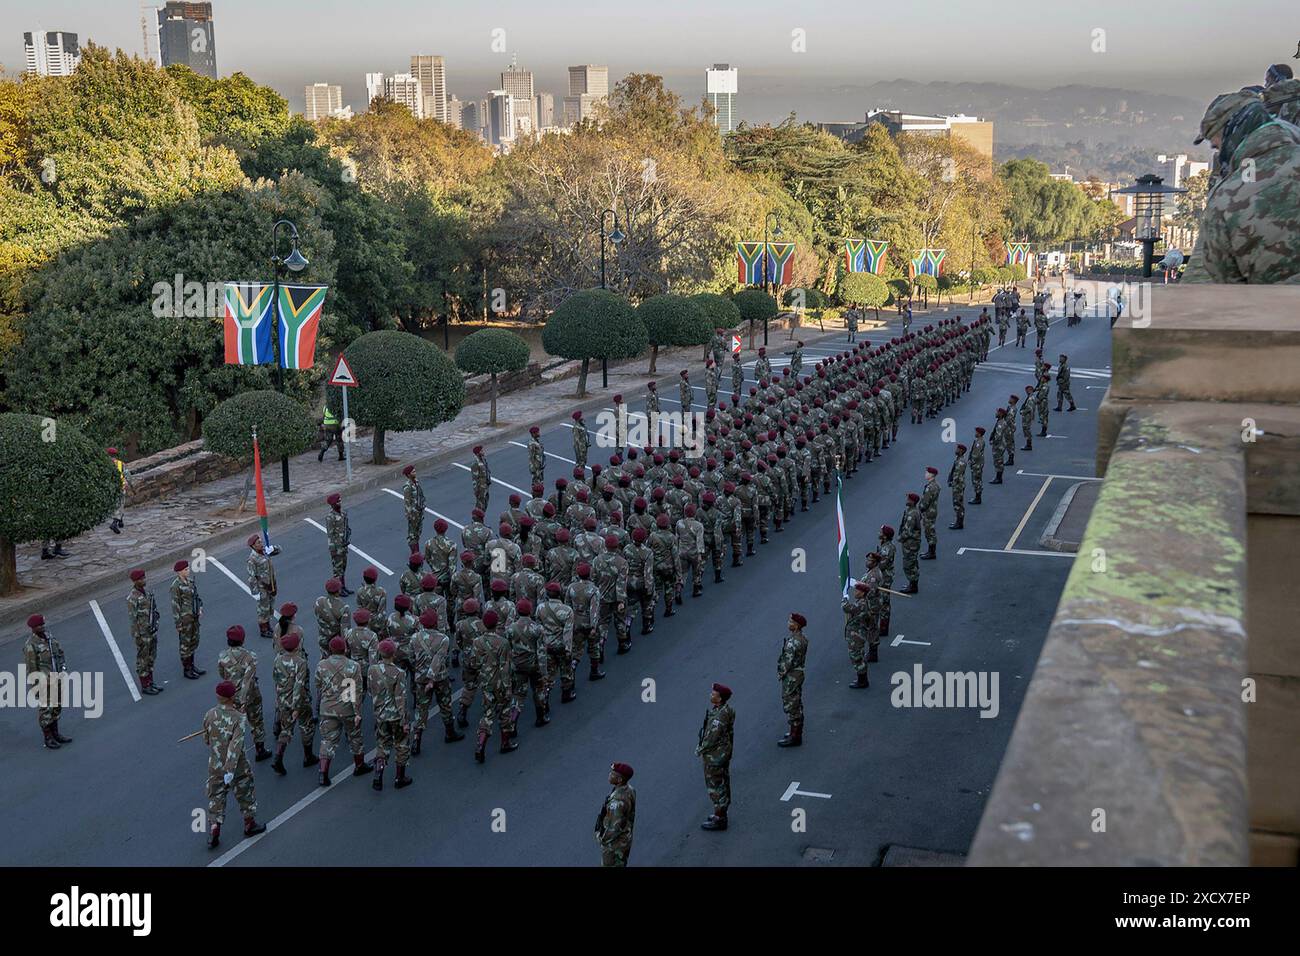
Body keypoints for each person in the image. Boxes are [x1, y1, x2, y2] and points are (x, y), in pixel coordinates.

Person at [202, 681, 266, 848]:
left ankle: (214, 829)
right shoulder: (238, 718)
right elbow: (235, 746)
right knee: (245, 792)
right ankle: (249, 823)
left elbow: (207, 740)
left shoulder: (209, 714)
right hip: (236, 765)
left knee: (216, 796)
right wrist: (230, 769)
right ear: (231, 697)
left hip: (215, 764)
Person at [315, 636, 371, 786]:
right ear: (345, 649)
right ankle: (359, 765)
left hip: (327, 708)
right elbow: (356, 691)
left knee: (328, 741)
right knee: (355, 737)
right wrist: (357, 712)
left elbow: (318, 685)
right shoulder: (354, 666)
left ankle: (323, 773)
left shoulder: (321, 665)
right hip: (347, 709)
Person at [217, 625, 271, 762]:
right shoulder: (250, 657)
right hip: (250, 696)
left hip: (231, 696)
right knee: (256, 721)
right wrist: (243, 700)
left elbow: (222, 675)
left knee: (232, 724)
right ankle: (260, 750)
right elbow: (248, 680)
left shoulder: (223, 657)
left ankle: (232, 753)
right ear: (242, 640)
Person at [368, 640, 414, 791]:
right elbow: (401, 698)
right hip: (395, 716)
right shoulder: (399, 673)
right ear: (394, 654)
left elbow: (370, 690)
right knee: (401, 744)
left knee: (382, 744)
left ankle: (378, 773)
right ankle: (399, 777)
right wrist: (405, 720)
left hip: (380, 714)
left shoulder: (372, 670)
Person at [270, 631, 316, 775]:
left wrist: (279, 699)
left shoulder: (277, 660)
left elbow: (276, 680)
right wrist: (296, 706)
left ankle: (278, 756)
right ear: (297, 646)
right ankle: (308, 756)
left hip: (283, 700)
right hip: (299, 701)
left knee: (286, 729)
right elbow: (299, 685)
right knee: (306, 727)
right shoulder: (300, 662)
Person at [23, 615, 72, 749]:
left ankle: (56, 733)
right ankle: (48, 737)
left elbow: (60, 653)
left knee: (57, 706)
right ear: (33, 629)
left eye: (43, 625)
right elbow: (32, 668)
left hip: (57, 678)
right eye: (39, 626)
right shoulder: (31, 645)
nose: (42, 627)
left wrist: (62, 668)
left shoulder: (50, 638)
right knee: (46, 710)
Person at [696, 682, 735, 832]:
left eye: (713, 694)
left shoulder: (719, 716)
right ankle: (720, 813)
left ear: (719, 699)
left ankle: (720, 817)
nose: (710, 695)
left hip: (715, 756)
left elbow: (712, 737)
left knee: (716, 786)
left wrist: (700, 749)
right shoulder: (726, 710)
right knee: (722, 782)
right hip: (722, 753)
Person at [127, 568, 163, 696]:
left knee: (151, 656)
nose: (144, 580)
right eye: (141, 579)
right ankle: (145, 685)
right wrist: (138, 636)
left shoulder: (146, 593)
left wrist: (156, 622)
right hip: (142, 634)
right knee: (143, 659)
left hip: (151, 630)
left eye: (144, 578)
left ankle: (150, 681)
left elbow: (154, 610)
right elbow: (133, 619)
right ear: (135, 581)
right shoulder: (133, 598)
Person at [596, 762, 637, 867]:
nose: (609, 775)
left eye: (613, 774)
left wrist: (601, 838)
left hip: (614, 846)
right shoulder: (629, 789)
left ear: (619, 780)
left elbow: (613, 827)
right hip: (624, 839)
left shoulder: (618, 801)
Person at [777, 612, 808, 747]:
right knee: (796, 701)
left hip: (791, 676)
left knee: (791, 703)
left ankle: (795, 736)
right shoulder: (802, 638)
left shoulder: (793, 642)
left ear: (796, 626)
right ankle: (796, 732)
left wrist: (781, 673)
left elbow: (787, 662)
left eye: (790, 622)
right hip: (798, 673)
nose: (788, 623)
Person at [170, 559, 205, 679]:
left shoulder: (190, 582)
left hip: (194, 617)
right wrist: (178, 623)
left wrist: (200, 608)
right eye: (186, 569)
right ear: (179, 572)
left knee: (194, 641)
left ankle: (192, 665)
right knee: (185, 645)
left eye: (188, 568)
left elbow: (197, 597)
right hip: (185, 619)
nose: (188, 570)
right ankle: (187, 669)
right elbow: (175, 606)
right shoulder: (175, 586)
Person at [246, 534, 277, 639]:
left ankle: (268, 626)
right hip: (262, 586)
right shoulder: (252, 559)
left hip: (270, 583)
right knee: (263, 608)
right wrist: (255, 592)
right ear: (253, 546)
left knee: (270, 605)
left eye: (261, 541)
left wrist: (273, 548)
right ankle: (264, 629)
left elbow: (279, 550)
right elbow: (251, 577)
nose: (261, 544)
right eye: (258, 543)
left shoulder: (264, 551)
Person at [325, 493, 352, 595]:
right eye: (338, 501)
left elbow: (346, 528)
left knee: (343, 567)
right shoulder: (330, 517)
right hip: (336, 547)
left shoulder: (343, 514)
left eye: (340, 501)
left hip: (343, 545)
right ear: (333, 504)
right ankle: (338, 589)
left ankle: (343, 586)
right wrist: (336, 548)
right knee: (337, 570)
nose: (340, 503)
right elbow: (331, 534)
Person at [106, 447, 133, 533]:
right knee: (120, 504)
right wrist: (130, 484)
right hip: (120, 486)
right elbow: (127, 475)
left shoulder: (104, 464)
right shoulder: (120, 464)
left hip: (109, 487)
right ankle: (115, 523)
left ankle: (121, 521)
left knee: (116, 504)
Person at [401, 465, 425, 555]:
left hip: (419, 512)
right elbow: (407, 502)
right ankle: (415, 553)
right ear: (408, 474)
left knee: (418, 532)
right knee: (412, 534)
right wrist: (409, 515)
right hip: (413, 514)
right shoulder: (407, 487)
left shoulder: (416, 482)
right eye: (413, 472)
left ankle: (416, 551)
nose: (415, 473)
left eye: (415, 471)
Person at [471, 445, 491, 513]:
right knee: (480, 506)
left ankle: (481, 519)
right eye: (481, 451)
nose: (483, 452)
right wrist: (476, 490)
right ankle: (477, 521)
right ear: (477, 453)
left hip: (485, 486)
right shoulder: (475, 463)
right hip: (480, 488)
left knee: (485, 504)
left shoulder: (483, 460)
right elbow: (474, 478)